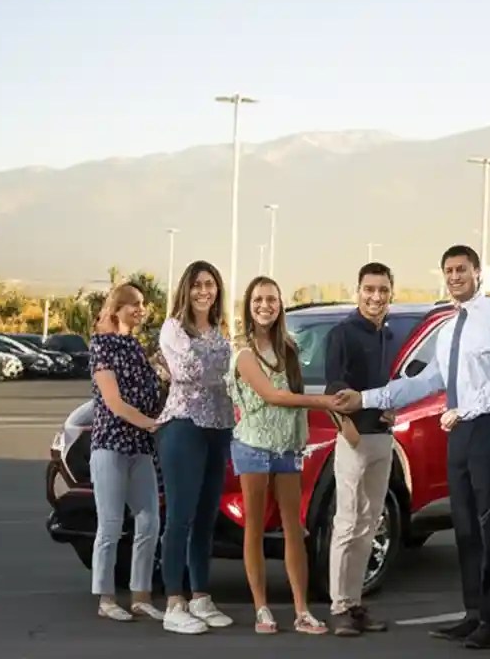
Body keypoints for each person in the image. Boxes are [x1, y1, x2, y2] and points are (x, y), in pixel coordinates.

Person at [336, 245, 490, 650]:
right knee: (463, 527)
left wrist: (466, 409)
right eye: (449, 270)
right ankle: (472, 614)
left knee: (488, 526)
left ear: (478, 272)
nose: (455, 276)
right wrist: (366, 399)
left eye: (462, 269)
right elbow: (427, 382)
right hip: (459, 432)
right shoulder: (449, 328)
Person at [226, 276, 340, 635]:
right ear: (249, 306)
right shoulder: (243, 354)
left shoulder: (289, 349)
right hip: (253, 448)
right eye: (258, 299)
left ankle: (302, 610)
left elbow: (293, 401)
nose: (265, 305)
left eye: (272, 299)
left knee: (295, 527)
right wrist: (322, 401)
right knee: (255, 528)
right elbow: (272, 397)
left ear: (280, 306)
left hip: (288, 448)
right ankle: (262, 608)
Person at [155, 260, 235, 635]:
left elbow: (227, 374)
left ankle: (200, 595)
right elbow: (186, 370)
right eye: (198, 285)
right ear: (186, 290)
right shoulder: (173, 329)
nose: (205, 291)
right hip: (183, 426)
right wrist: (220, 367)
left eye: (211, 284)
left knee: (207, 518)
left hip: (219, 427)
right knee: (180, 517)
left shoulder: (219, 331)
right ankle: (174, 601)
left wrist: (219, 367)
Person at [323, 262, 400, 636]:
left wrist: (390, 410)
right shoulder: (342, 333)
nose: (376, 296)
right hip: (354, 441)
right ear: (359, 291)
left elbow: (388, 386)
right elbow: (332, 388)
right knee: (348, 521)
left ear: (391, 293)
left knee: (370, 523)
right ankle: (339, 607)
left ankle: (355, 603)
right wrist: (347, 429)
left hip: (383, 439)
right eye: (369, 289)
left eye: (383, 290)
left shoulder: (389, 334)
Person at [87, 282, 165, 623]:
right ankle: (105, 598)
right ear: (117, 309)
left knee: (150, 520)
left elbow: (152, 389)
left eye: (142, 304)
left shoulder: (135, 347)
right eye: (134, 304)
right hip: (111, 445)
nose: (140, 309)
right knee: (111, 523)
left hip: (140, 448)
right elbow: (114, 403)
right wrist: (150, 424)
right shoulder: (102, 347)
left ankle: (140, 595)